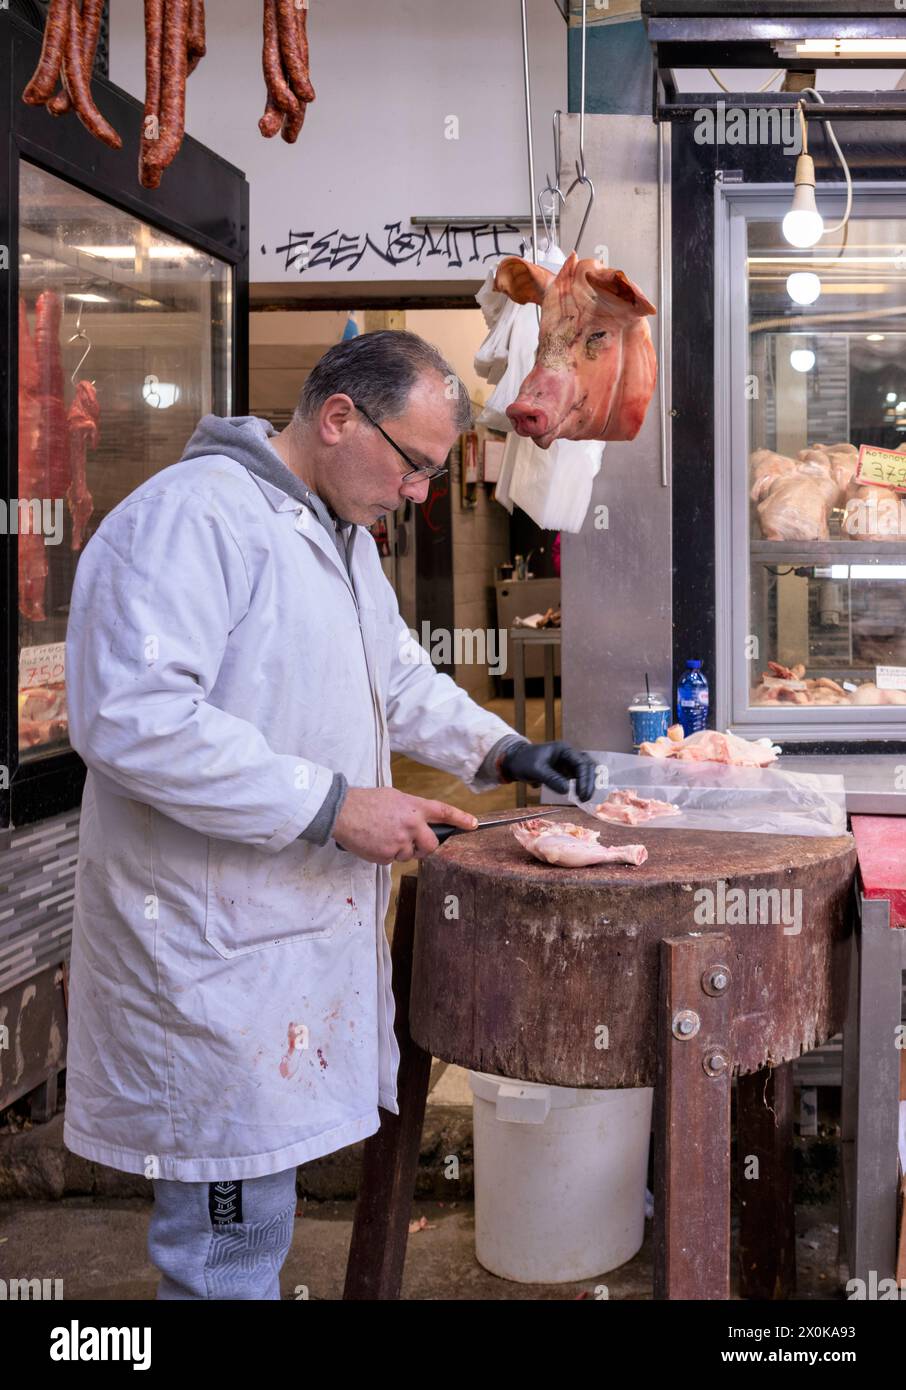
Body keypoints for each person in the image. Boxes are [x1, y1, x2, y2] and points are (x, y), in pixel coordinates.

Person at [63, 330, 596, 1300]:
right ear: (341, 416)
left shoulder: (343, 539)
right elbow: (132, 721)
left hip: (279, 945)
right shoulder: (191, 520)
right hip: (203, 956)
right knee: (222, 1243)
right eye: (416, 466)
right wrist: (333, 805)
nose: (422, 493)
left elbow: (392, 672)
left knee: (252, 1224)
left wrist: (502, 749)